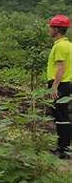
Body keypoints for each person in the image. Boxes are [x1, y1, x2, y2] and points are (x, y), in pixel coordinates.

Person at [47, 14, 72, 159]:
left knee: (61, 117)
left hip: (60, 84)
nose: (49, 29)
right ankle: (63, 146)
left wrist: (54, 87)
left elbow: (61, 68)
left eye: (51, 27)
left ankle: (63, 150)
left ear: (56, 29)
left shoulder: (61, 46)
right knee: (61, 115)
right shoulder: (67, 44)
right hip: (64, 83)